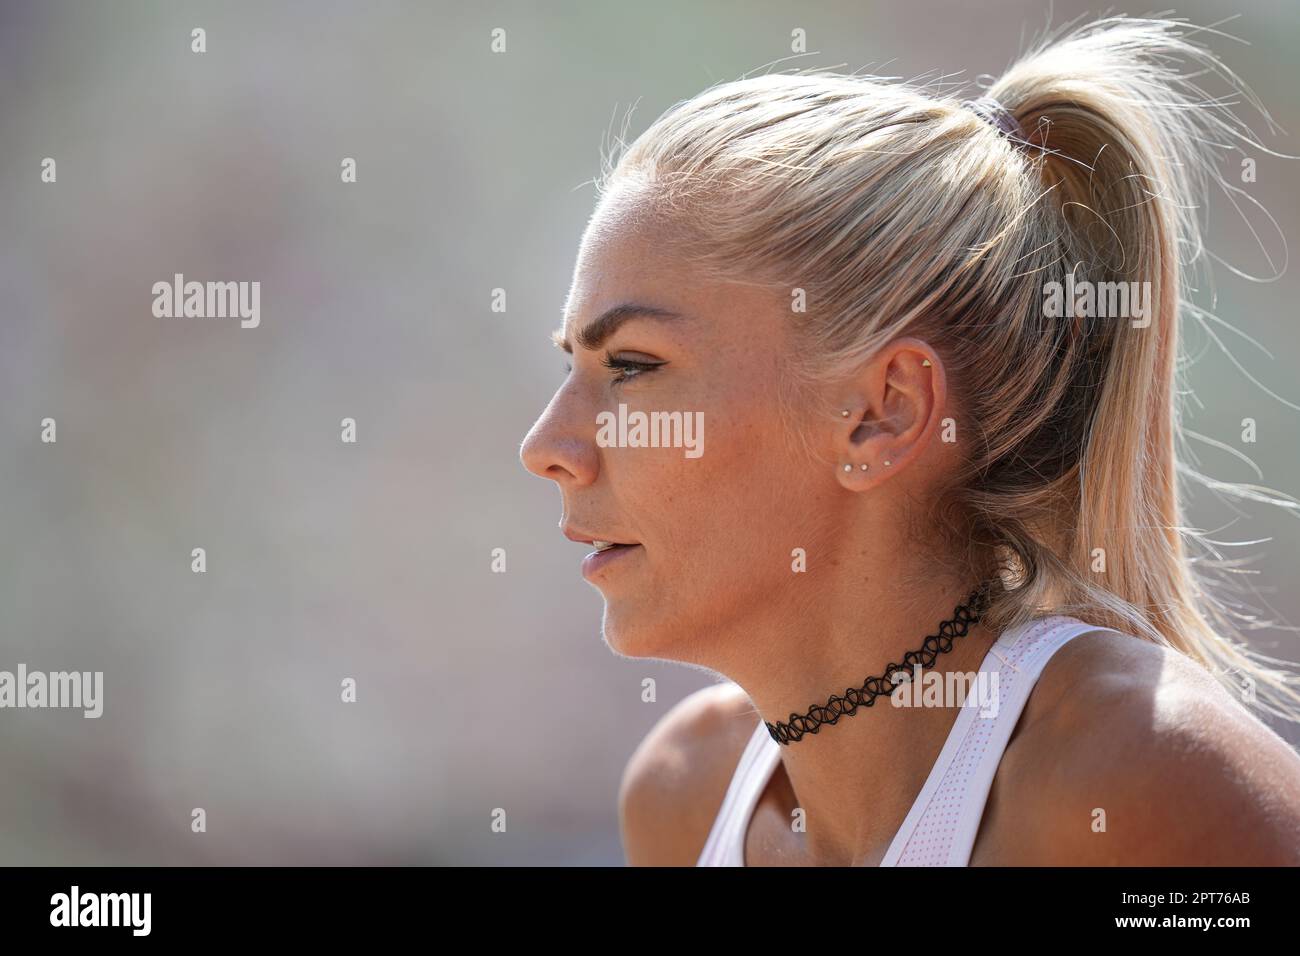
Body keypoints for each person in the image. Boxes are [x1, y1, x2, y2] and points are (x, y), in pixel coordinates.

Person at [519, 16, 1300, 865]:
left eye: (630, 365)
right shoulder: (682, 793)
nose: (547, 444)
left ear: (883, 412)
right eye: (573, 365)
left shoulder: (1145, 787)